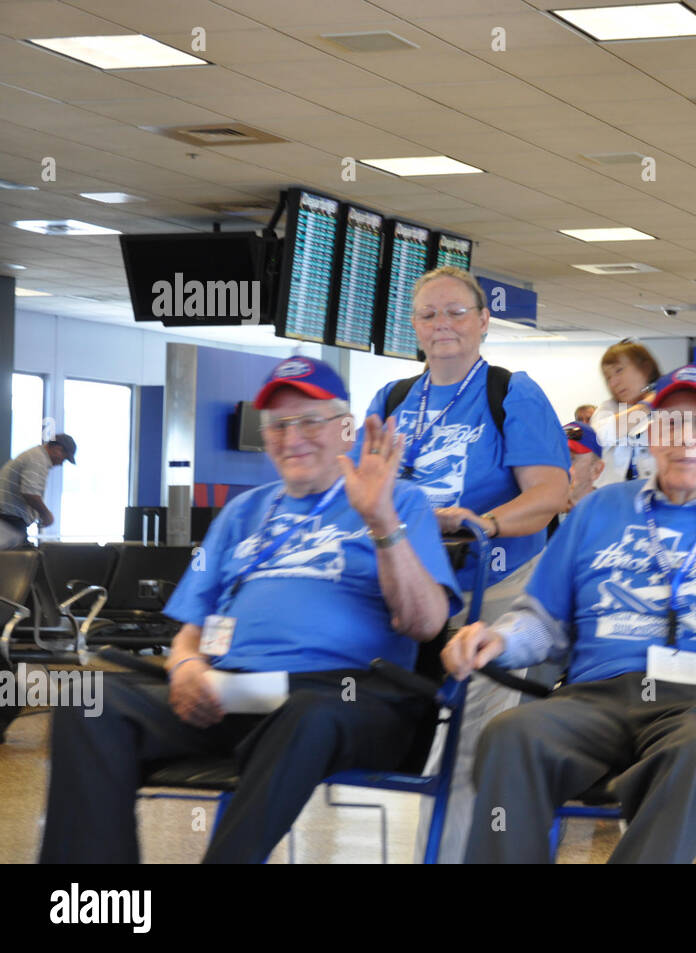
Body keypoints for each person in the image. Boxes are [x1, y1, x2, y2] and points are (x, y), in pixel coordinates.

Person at [39, 357, 462, 863]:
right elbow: (192, 628)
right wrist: (187, 665)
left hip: (348, 696)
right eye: (278, 425)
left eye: (310, 421)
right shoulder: (243, 512)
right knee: (90, 701)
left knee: (307, 714)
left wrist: (380, 520)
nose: (292, 437)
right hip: (243, 692)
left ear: (345, 429)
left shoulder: (400, 501)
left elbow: (425, 624)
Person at [443, 365, 696, 863]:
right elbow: (544, 621)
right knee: (511, 734)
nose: (685, 439)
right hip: (598, 698)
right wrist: (497, 640)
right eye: (671, 423)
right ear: (650, 434)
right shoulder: (597, 511)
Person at [358, 264, 569, 863]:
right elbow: (361, 494)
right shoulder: (391, 399)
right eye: (428, 314)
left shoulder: (511, 391)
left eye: (456, 312)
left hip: (497, 588)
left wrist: (482, 522)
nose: (442, 324)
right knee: (409, 735)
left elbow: (550, 493)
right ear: (414, 326)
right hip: (414, 588)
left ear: (482, 322)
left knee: (477, 743)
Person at [590, 339, 661, 489]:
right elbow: (599, 436)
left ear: (645, 368)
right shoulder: (607, 409)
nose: (613, 383)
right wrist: (647, 405)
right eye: (608, 378)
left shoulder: (671, 407)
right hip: (612, 497)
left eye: (619, 371)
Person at [0, 433, 76, 550]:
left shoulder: (34, 455)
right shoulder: (38, 459)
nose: (61, 463)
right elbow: (30, 493)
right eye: (64, 458)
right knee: (27, 559)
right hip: (9, 523)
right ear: (58, 449)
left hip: (9, 521)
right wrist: (46, 515)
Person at [563, 420, 604, 513]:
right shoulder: (541, 514)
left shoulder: (611, 515)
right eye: (556, 458)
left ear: (596, 470)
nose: (559, 467)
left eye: (570, 459)